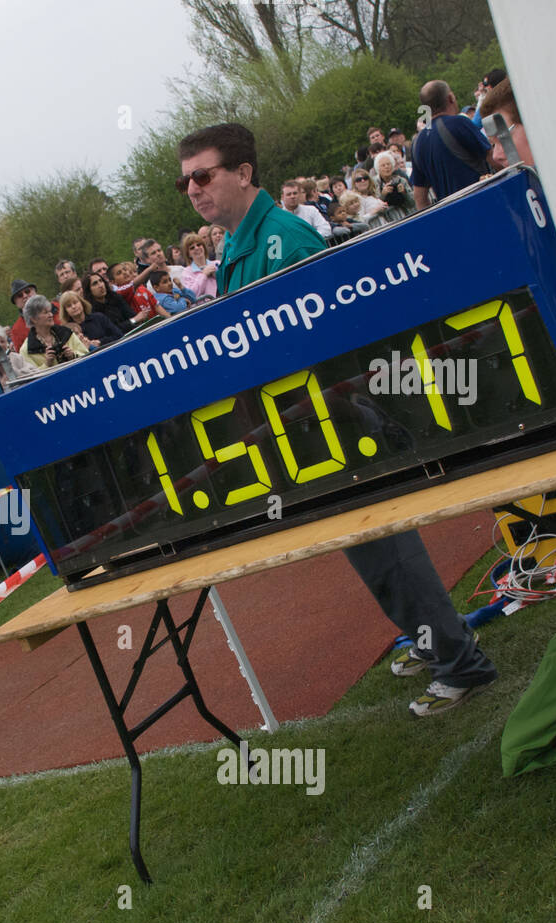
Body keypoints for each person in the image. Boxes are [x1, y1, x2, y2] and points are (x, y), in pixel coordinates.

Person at [178, 121, 496, 715]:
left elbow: (330, 342)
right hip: (306, 426)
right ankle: (438, 645)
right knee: (371, 553)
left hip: (338, 417)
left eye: (203, 175)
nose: (193, 189)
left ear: (243, 173)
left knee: (386, 551)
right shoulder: (237, 246)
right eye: (185, 181)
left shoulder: (285, 239)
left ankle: (460, 662)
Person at [411, 80, 494, 210]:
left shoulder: (417, 143)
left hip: (451, 216)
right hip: (484, 203)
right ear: (450, 98)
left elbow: (420, 197)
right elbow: (493, 157)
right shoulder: (460, 123)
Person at [20, 294, 90, 368]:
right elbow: (31, 376)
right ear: (33, 319)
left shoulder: (66, 332)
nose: (51, 315)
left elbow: (86, 354)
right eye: (46, 312)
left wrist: (73, 355)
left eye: (50, 311)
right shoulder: (26, 350)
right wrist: (47, 364)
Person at [7, 278, 58, 353]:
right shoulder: (16, 330)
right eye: (19, 295)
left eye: (27, 291)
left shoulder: (58, 307)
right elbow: (23, 358)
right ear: (16, 303)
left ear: (35, 291)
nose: (25, 296)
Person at [373, 151, 415, 221]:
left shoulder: (401, 180)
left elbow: (412, 203)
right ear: (378, 169)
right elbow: (374, 208)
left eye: (388, 164)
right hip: (387, 221)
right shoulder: (374, 184)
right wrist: (383, 195)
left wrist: (404, 193)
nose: (387, 167)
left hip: (405, 216)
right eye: (383, 165)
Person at [178, 233, 218, 299]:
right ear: (188, 254)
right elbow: (192, 295)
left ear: (204, 247)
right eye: (192, 248)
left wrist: (216, 275)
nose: (196, 248)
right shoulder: (186, 273)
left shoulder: (217, 263)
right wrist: (204, 275)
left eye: (199, 245)